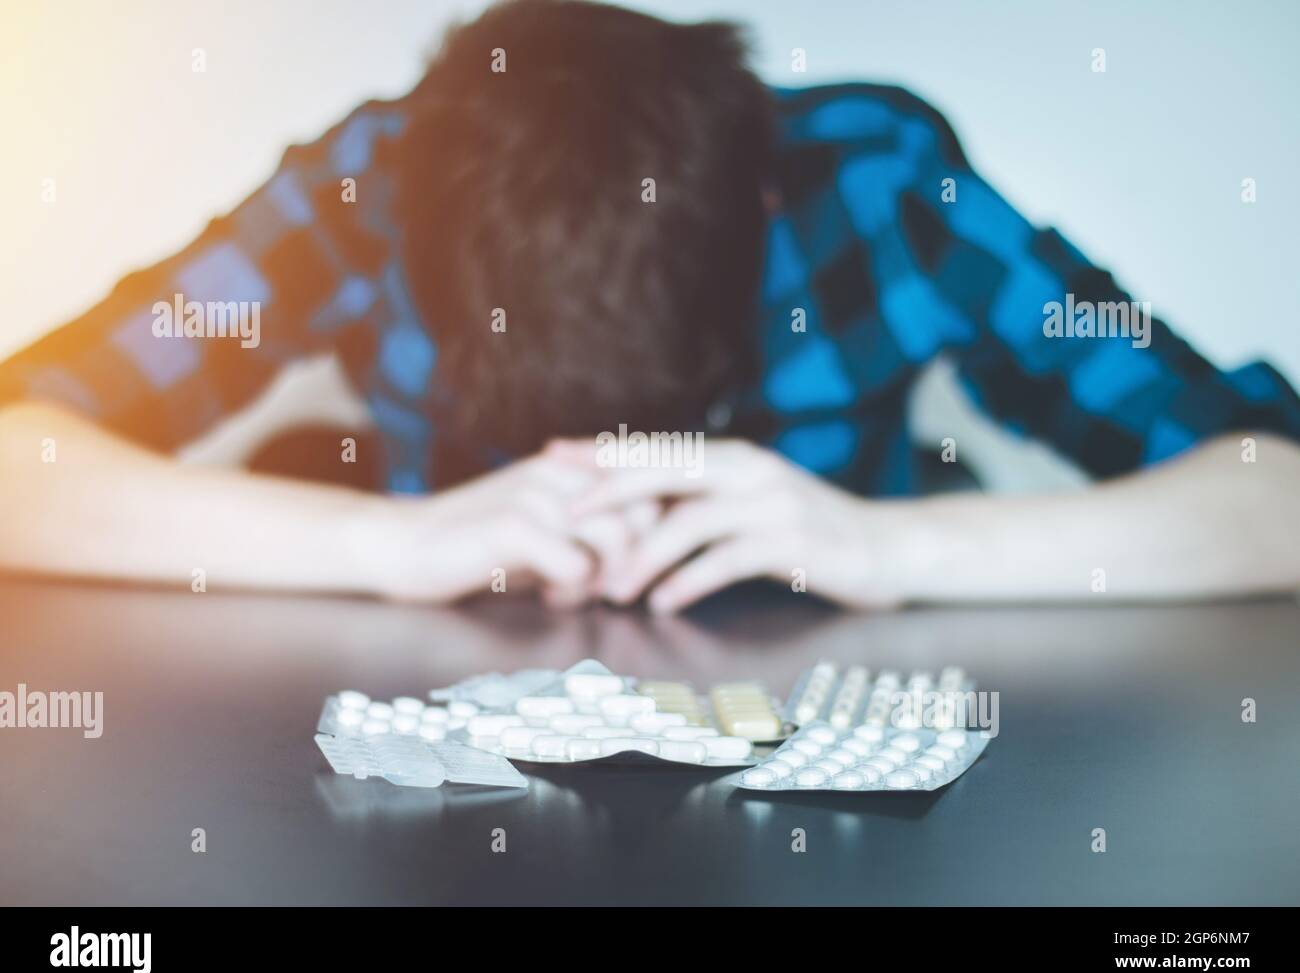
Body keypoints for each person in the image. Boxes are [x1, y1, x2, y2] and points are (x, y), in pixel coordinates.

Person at [2, 0, 1298, 612]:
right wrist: (379, 548)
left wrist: (898, 550)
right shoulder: (378, 178)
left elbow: (1277, 494)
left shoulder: (873, 182)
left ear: (766, 222)